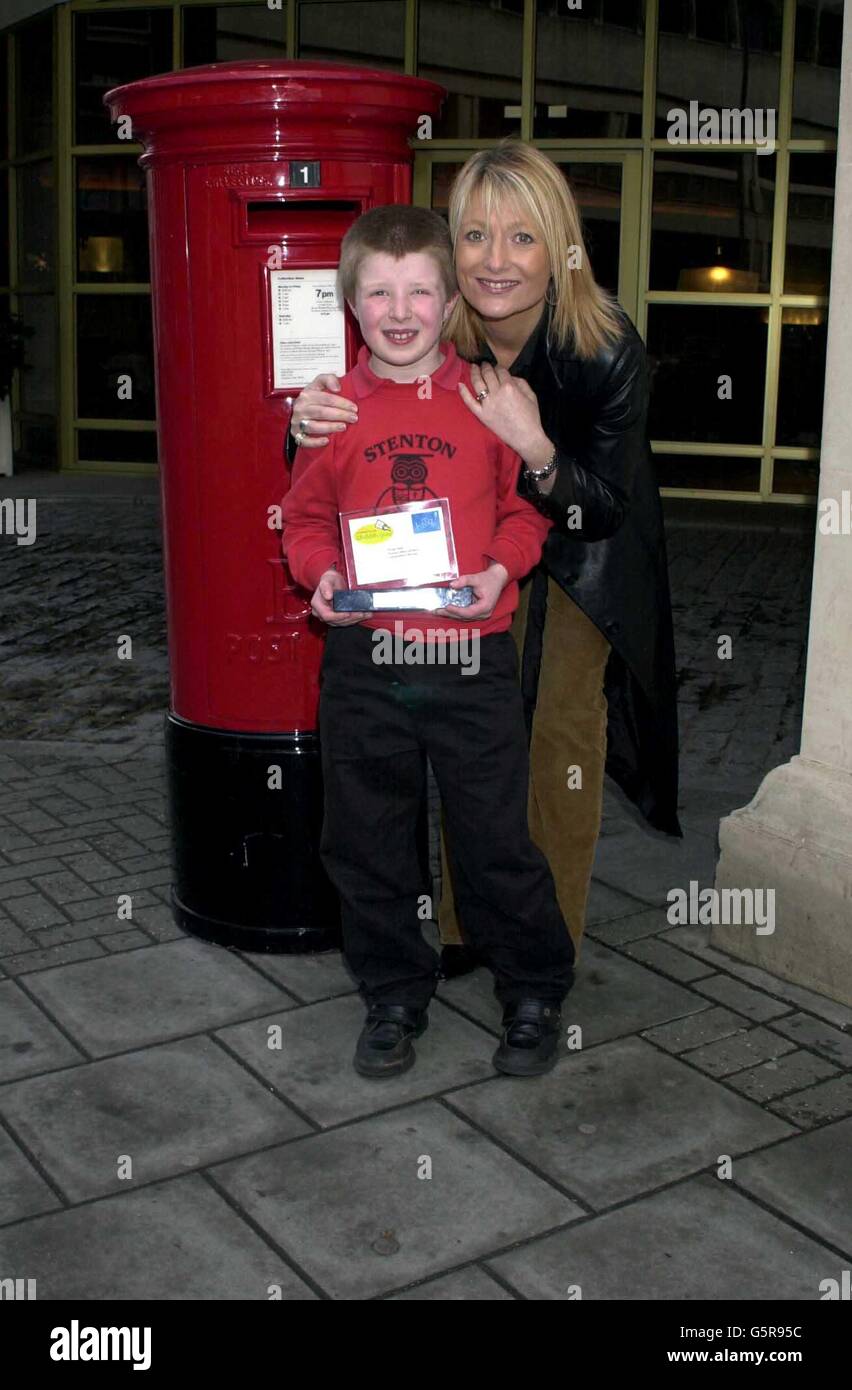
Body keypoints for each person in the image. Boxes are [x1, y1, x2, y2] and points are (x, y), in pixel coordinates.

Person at [289, 141, 681, 976]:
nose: (495, 261)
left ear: (559, 246)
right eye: (474, 237)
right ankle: (468, 932)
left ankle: (545, 955)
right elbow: (364, 410)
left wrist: (535, 447)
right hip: (461, 564)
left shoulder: (604, 345)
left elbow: (601, 506)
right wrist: (307, 419)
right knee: (472, 756)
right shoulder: (444, 314)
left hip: (582, 559)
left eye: (522, 238)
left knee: (554, 749)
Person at [281, 204, 575, 1080]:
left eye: (418, 291)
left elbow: (528, 513)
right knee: (365, 835)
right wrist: (320, 576)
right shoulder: (331, 414)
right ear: (352, 304)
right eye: (379, 292)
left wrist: (502, 572)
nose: (399, 310)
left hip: (469, 654)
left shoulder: (489, 400)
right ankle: (393, 991)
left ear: (449, 303)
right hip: (366, 658)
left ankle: (532, 987)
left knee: (492, 833)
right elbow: (303, 522)